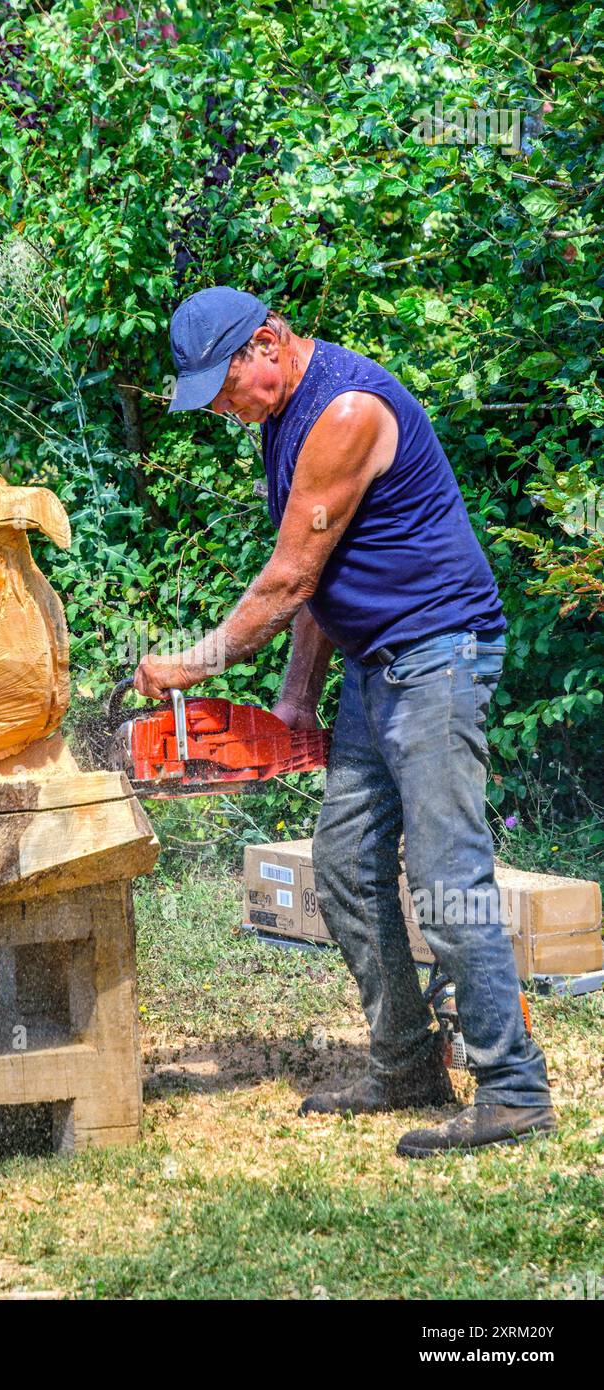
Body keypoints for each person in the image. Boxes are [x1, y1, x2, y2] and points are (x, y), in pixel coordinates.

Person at [134, 285, 555, 1158]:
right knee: (345, 862)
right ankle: (405, 1064)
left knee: (447, 875)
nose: (220, 405)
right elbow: (322, 577)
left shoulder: (346, 411)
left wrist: (192, 663)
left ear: (268, 342)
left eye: (224, 384)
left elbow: (286, 581)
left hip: (439, 657)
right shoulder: (282, 421)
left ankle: (514, 1090)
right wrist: (294, 698)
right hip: (376, 667)